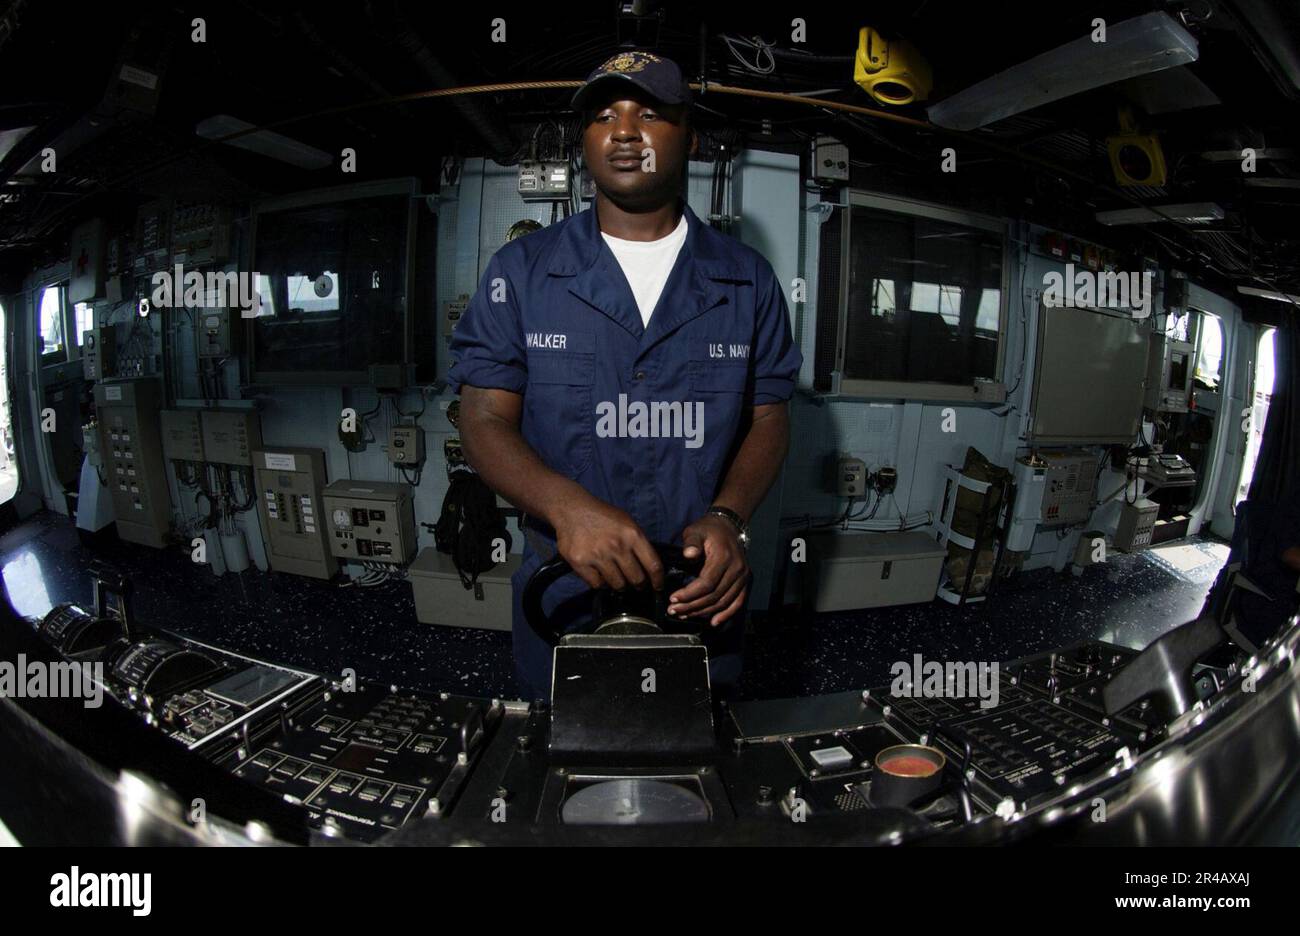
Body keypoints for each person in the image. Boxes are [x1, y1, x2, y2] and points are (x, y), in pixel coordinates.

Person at [447, 51, 802, 700]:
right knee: (559, 762)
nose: (625, 130)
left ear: (690, 138)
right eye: (604, 114)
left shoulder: (747, 280)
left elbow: (770, 416)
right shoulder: (520, 272)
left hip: (698, 586)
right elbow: (482, 418)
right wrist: (566, 506)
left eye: (651, 113)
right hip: (565, 586)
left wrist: (728, 516)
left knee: (698, 752)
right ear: (585, 141)